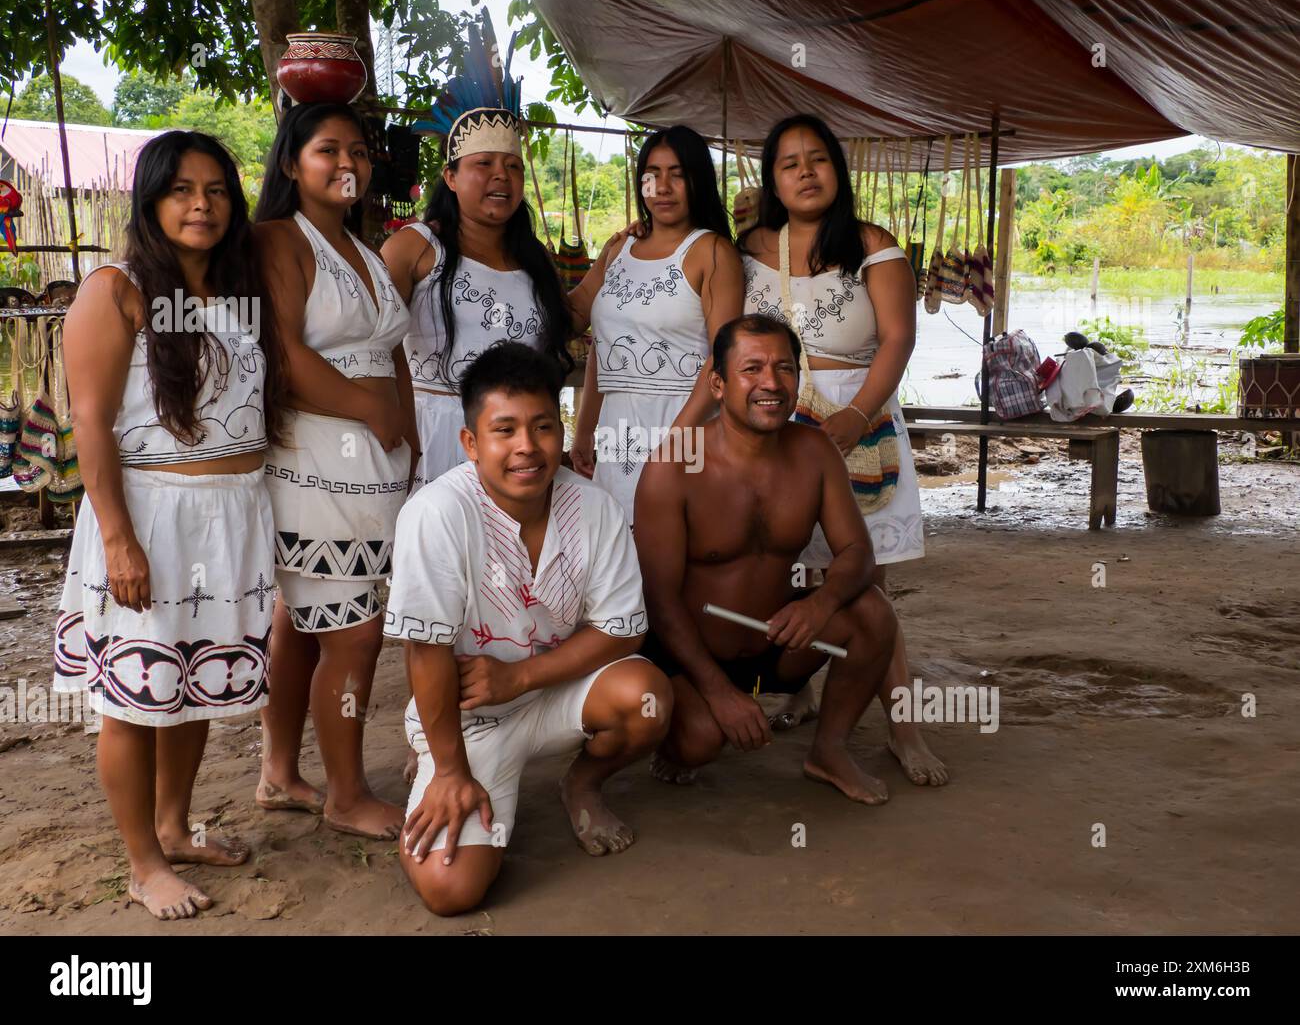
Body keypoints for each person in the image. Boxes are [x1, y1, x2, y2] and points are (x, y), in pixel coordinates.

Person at [53, 130, 287, 918]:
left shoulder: (236, 289)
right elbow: (89, 421)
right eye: (182, 190)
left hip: (231, 514)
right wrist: (118, 537)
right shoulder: (113, 289)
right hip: (152, 515)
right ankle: (142, 862)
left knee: (192, 682)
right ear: (151, 200)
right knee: (134, 696)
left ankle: (175, 826)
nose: (201, 205)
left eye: (217, 190)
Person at [386, 342, 671, 916]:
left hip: (552, 694)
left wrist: (519, 678)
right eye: (505, 430)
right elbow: (425, 649)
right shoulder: (436, 513)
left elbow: (622, 631)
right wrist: (450, 771)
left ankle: (582, 784)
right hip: (467, 719)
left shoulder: (594, 507)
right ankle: (436, 761)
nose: (526, 447)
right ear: (470, 443)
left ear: (560, 432)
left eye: (543, 427)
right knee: (451, 890)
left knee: (646, 699)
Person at [737, 114, 946, 785]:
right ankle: (798, 689)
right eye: (789, 162)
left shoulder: (872, 246)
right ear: (772, 179)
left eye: (818, 158)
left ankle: (903, 732)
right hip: (776, 422)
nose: (805, 171)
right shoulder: (750, 249)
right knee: (787, 570)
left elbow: (899, 339)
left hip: (860, 422)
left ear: (838, 170)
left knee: (864, 587)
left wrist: (858, 413)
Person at [635, 316, 898, 801]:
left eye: (784, 368)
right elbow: (659, 599)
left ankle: (830, 751)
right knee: (698, 743)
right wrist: (717, 692)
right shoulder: (674, 465)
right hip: (688, 654)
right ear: (717, 383)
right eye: (751, 369)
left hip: (771, 645)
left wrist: (819, 605)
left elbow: (858, 553)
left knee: (873, 613)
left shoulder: (814, 451)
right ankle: (685, 722)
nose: (771, 383)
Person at [253, 101, 416, 839]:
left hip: (376, 462)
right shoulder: (277, 241)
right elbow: (282, 357)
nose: (347, 162)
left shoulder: (365, 248)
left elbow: (395, 353)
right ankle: (347, 795)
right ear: (292, 163)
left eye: (359, 150)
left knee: (305, 620)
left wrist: (404, 427)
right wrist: (370, 411)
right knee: (353, 632)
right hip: (315, 457)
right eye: (328, 149)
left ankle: (280, 772)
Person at [382, 11, 574, 492]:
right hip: (431, 435)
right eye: (483, 164)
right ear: (450, 177)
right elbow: (370, 340)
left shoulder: (532, 260)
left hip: (515, 445)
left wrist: (612, 258)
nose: (500, 177)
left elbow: (567, 318)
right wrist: (398, 431)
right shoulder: (415, 248)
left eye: (512, 166)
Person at [569, 125, 744, 523]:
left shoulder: (712, 252)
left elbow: (724, 357)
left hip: (685, 428)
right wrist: (584, 430)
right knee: (621, 557)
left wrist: (674, 442)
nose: (662, 186)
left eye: (677, 174)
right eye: (652, 174)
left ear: (698, 180)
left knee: (678, 553)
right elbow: (603, 344)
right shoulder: (618, 249)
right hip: (618, 434)